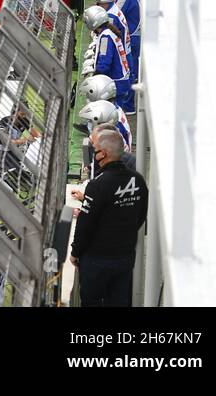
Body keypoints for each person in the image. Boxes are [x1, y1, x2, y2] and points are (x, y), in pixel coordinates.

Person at [70, 129, 148, 306]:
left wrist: (75, 252)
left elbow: (85, 225)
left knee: (92, 302)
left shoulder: (98, 185)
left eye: (95, 149)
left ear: (103, 154)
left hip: (97, 260)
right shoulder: (138, 180)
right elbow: (141, 216)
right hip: (125, 256)